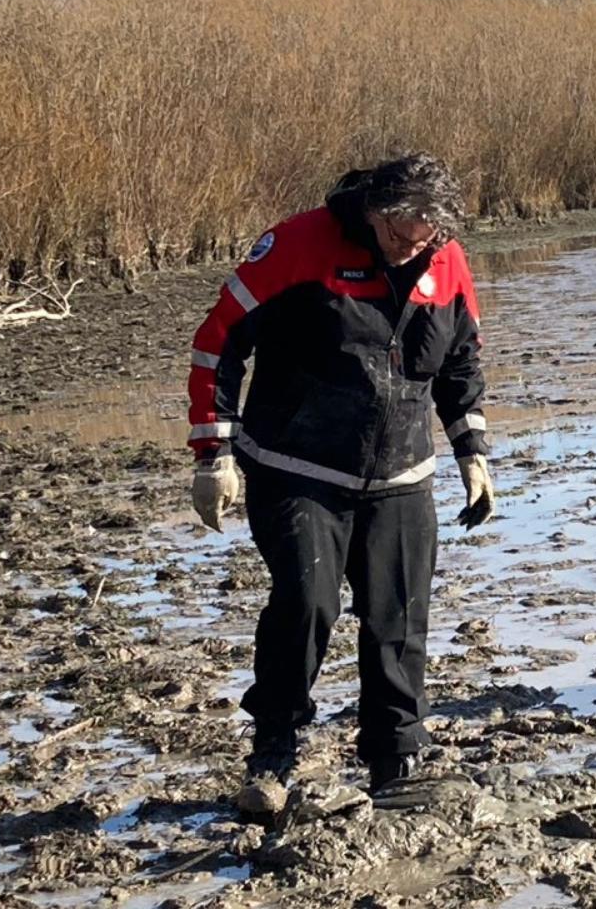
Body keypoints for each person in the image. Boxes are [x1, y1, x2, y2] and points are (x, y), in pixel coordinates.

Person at [185, 153, 497, 812]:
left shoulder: (448, 261)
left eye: (428, 235)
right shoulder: (297, 245)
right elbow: (218, 342)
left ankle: (394, 761)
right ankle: (273, 754)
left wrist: (473, 449)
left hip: (402, 472)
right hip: (295, 468)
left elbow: (461, 359)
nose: (414, 245)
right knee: (308, 602)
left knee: (398, 618)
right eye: (401, 232)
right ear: (374, 213)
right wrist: (213, 453)